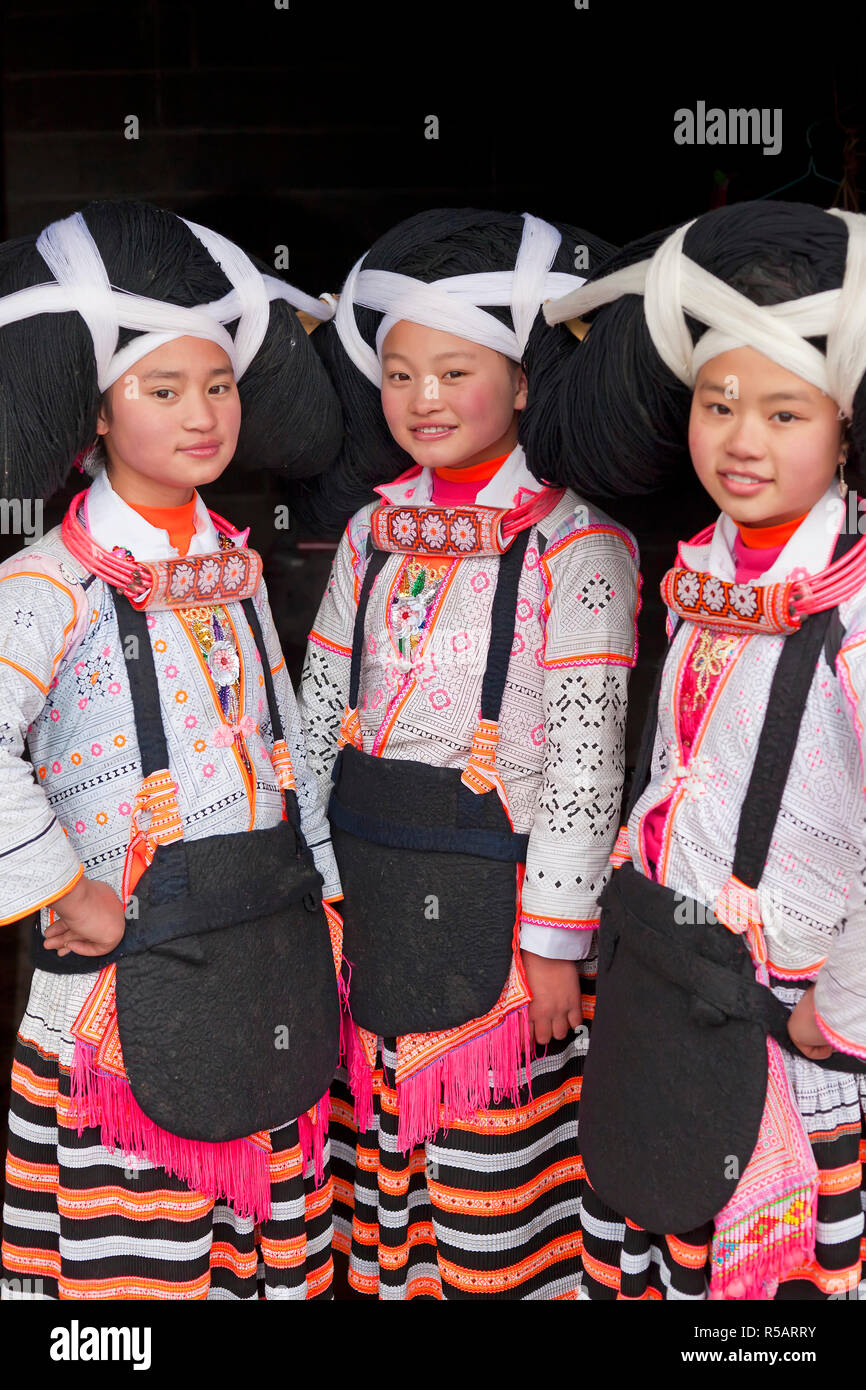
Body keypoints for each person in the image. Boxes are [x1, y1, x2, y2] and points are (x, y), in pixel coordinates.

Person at [0, 200, 344, 1300]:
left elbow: (286, 750)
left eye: (219, 385)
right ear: (96, 417)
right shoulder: (44, 581)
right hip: (120, 986)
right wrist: (64, 886)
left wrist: (324, 899)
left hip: (264, 960)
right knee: (136, 1271)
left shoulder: (235, 569)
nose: (202, 415)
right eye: (163, 390)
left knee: (266, 1253)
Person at [295, 207, 640, 1299]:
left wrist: (551, 941)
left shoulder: (577, 541)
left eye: (455, 370)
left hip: (499, 915)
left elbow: (588, 763)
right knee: (381, 1167)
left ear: (527, 380)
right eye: (400, 375)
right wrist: (311, 875)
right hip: (371, 889)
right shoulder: (369, 529)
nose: (424, 398)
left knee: (492, 1180)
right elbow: (317, 710)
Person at [536, 198, 866, 1300]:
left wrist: (842, 1008)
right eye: (718, 404)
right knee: (653, 1253)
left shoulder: (854, 608)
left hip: (794, 1024)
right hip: (663, 991)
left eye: (783, 413)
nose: (740, 439)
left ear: (841, 427)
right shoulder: (698, 579)